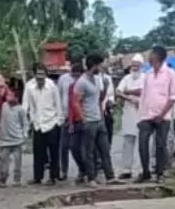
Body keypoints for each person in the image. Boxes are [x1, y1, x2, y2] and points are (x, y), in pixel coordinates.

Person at [135, 45, 175, 183]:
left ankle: (160, 173)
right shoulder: (148, 74)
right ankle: (145, 172)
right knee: (142, 144)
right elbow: (144, 96)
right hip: (146, 115)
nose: (148, 57)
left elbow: (173, 97)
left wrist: (162, 114)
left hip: (163, 116)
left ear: (158, 56)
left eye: (151, 54)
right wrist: (140, 116)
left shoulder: (170, 73)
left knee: (160, 145)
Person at [75, 54, 115, 185]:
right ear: (94, 65)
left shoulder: (97, 79)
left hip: (99, 119)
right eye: (100, 65)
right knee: (89, 151)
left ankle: (110, 176)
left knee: (105, 149)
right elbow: (76, 102)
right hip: (89, 120)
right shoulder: (81, 82)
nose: (101, 67)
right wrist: (83, 119)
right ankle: (91, 178)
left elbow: (99, 99)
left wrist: (105, 88)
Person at [24, 65, 62, 185]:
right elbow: (26, 104)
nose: (40, 77)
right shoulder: (30, 87)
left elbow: (58, 104)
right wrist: (28, 121)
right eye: (38, 74)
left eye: (42, 74)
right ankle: (37, 177)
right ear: (34, 75)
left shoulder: (52, 86)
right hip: (38, 123)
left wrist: (58, 121)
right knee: (38, 152)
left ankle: (53, 176)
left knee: (54, 151)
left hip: (51, 122)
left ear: (45, 75)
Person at [115, 57, 145, 179]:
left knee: (141, 142)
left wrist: (127, 91)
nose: (135, 67)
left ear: (141, 66)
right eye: (133, 65)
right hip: (128, 113)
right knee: (127, 142)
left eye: (137, 65)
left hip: (141, 113)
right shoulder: (126, 78)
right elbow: (118, 91)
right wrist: (128, 97)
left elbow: (142, 91)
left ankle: (141, 169)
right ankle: (126, 170)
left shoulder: (145, 77)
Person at [0, 86, 28, 186]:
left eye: (11, 96)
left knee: (17, 161)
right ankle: (3, 179)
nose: (8, 97)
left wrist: (24, 134)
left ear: (16, 98)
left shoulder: (20, 109)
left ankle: (17, 179)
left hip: (17, 140)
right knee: (3, 160)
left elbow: (25, 123)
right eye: (8, 95)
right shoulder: (4, 106)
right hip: (4, 139)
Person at [57, 62, 82, 181]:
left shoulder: (82, 82)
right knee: (64, 146)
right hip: (65, 116)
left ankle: (82, 170)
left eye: (77, 75)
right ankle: (64, 171)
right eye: (73, 74)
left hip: (79, 118)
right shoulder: (63, 79)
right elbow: (59, 96)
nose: (74, 77)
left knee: (77, 147)